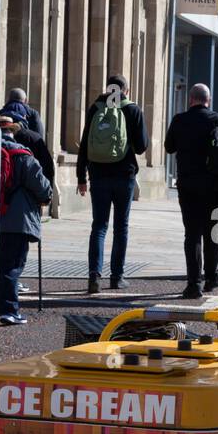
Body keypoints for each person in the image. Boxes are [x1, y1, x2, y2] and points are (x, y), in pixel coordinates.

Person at [164, 83, 218, 298]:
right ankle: (212, 277)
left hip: (188, 187)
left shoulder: (179, 120)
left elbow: (169, 147)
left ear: (190, 99)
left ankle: (193, 284)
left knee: (192, 234)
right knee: (212, 233)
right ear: (209, 100)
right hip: (216, 187)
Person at [77, 74, 148, 294]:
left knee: (98, 226)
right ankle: (117, 277)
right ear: (126, 90)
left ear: (108, 88)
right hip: (124, 175)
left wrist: (81, 177)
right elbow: (141, 147)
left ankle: (93, 277)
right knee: (120, 226)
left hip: (98, 174)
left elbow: (85, 144)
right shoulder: (132, 110)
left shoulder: (95, 107)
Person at [0, 128, 53, 325]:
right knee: (12, 266)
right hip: (17, 219)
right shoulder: (23, 155)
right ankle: (9, 310)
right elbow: (44, 188)